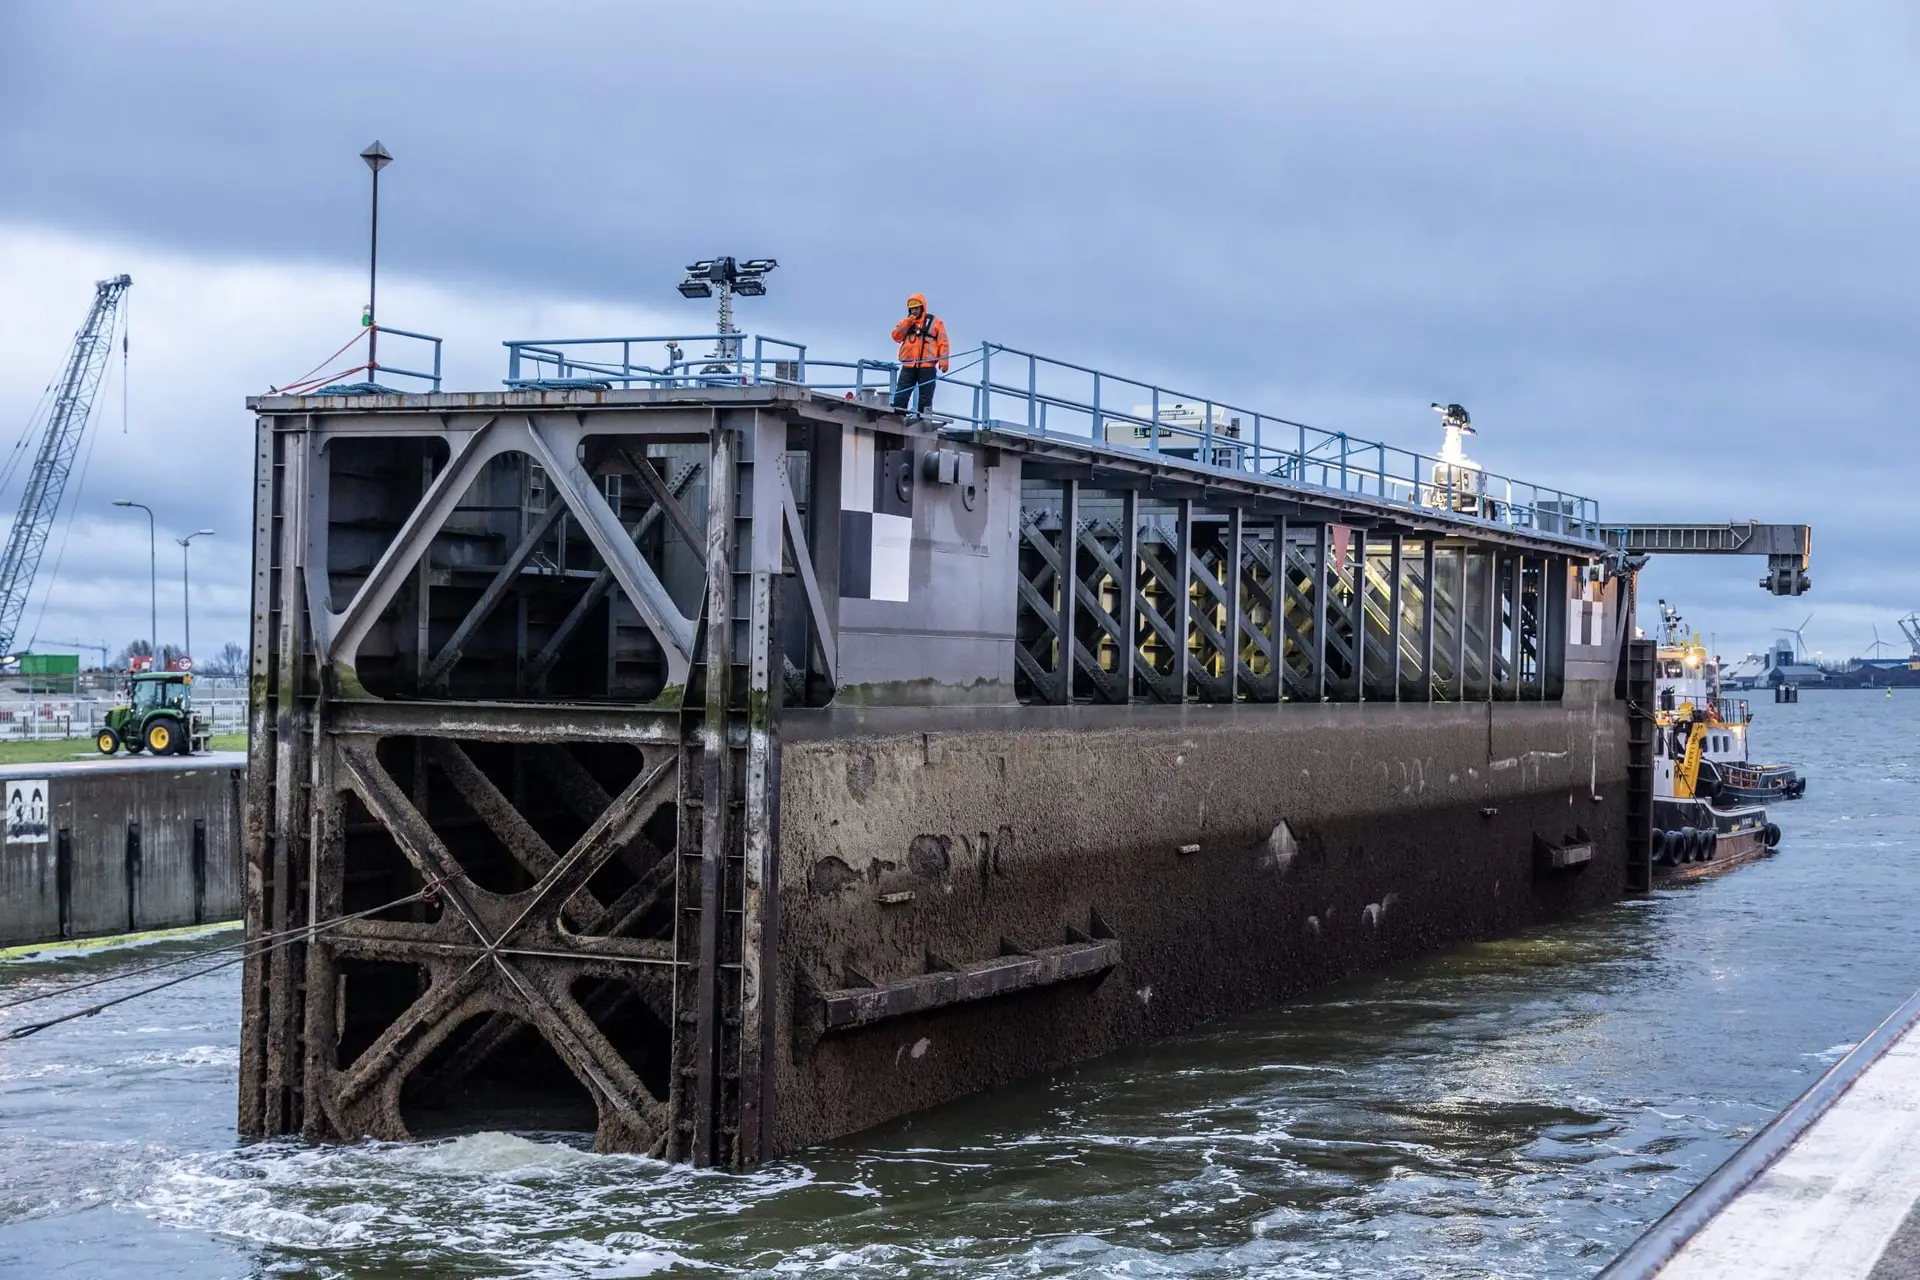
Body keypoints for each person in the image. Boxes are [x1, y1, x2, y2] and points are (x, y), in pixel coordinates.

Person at [891, 293, 949, 415]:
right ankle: (897, 418)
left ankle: (923, 420)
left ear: (922, 307)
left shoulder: (935, 322)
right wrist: (908, 322)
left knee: (925, 398)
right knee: (901, 394)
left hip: (927, 367)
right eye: (912, 308)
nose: (914, 311)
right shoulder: (905, 323)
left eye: (916, 308)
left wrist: (944, 361)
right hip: (908, 366)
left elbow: (943, 342)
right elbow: (896, 337)